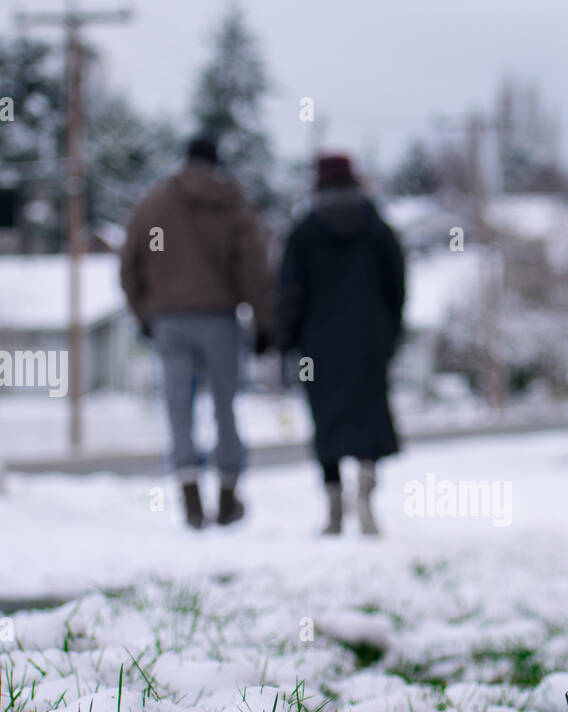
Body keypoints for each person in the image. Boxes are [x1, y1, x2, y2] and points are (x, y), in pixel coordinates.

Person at [120, 135, 273, 529]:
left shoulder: (153, 202)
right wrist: (262, 320)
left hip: (169, 320)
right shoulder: (232, 203)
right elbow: (254, 267)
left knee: (178, 407)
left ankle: (189, 495)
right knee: (225, 407)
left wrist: (145, 314)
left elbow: (129, 264)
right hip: (221, 318)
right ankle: (226, 495)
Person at [277, 153, 405, 536]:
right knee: (369, 417)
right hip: (369, 339)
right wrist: (390, 332)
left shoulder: (303, 231)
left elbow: (289, 292)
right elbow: (396, 286)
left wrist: (286, 341)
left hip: (318, 346)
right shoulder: (377, 227)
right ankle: (365, 487)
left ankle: (334, 505)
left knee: (327, 421)